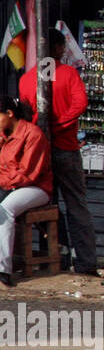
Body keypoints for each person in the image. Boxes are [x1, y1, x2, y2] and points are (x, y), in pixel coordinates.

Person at [19, 29, 97, 276]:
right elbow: (80, 104)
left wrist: (45, 127)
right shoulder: (68, 74)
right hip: (65, 148)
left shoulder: (27, 79)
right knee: (76, 205)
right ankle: (84, 262)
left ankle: (53, 256)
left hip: (39, 150)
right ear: (53, 48)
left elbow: (25, 115)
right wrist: (59, 124)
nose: (64, 51)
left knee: (43, 204)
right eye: (62, 46)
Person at [0, 97, 53, 288]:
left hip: (35, 188)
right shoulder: (3, 133)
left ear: (9, 114)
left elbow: (28, 174)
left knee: (4, 210)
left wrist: (3, 182)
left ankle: (3, 271)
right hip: (8, 185)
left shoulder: (33, 134)